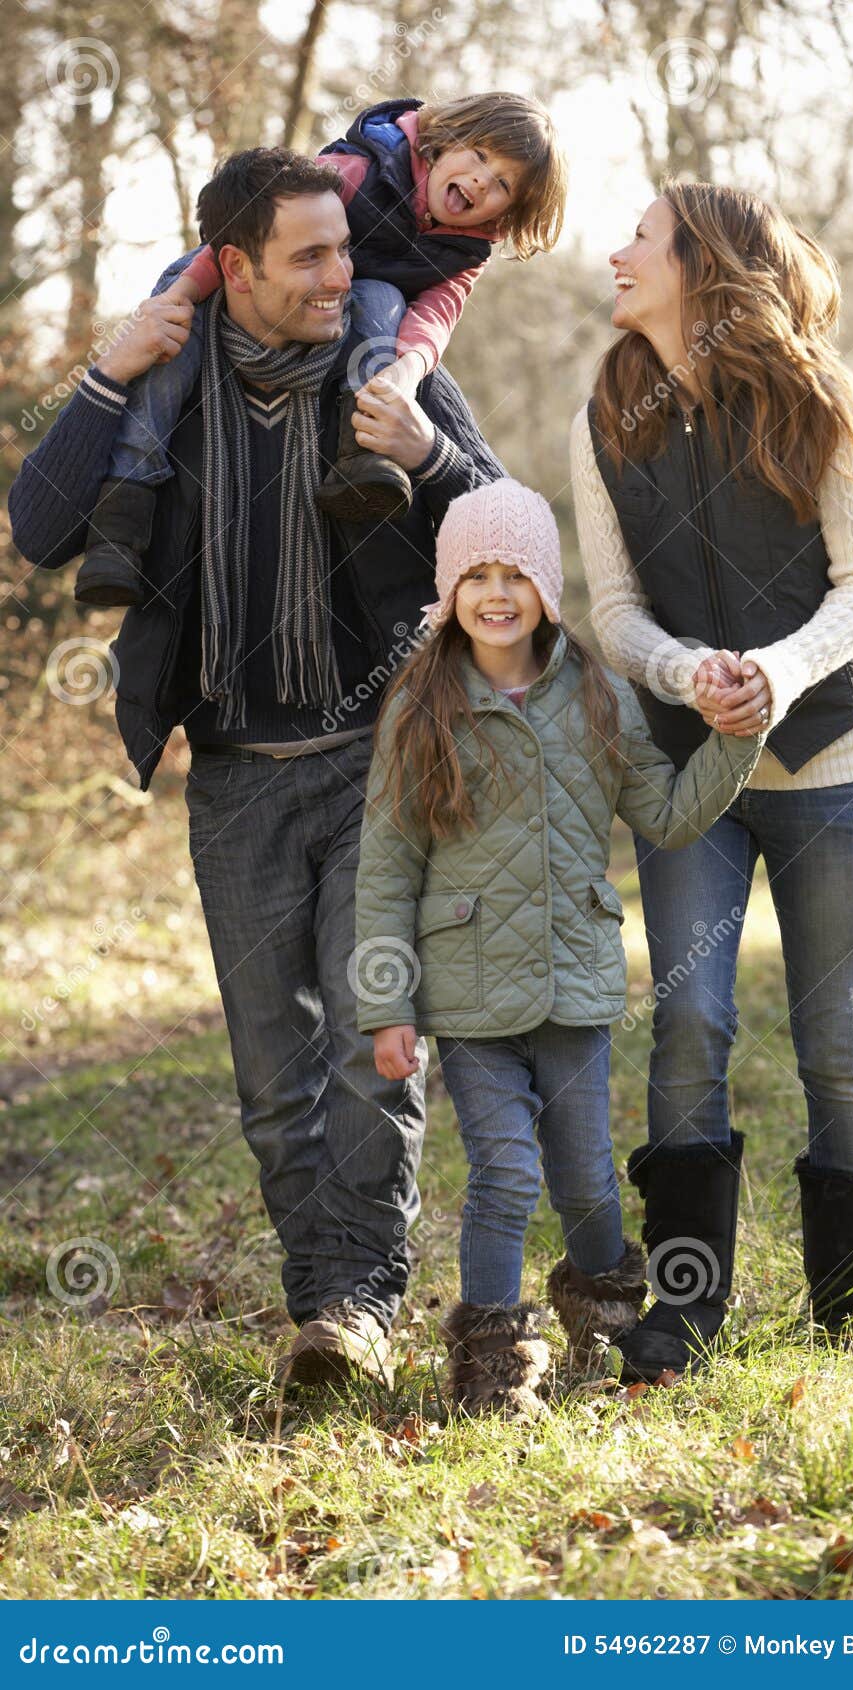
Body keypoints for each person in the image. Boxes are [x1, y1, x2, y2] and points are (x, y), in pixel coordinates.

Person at [8, 147, 506, 1389]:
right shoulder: (166, 378)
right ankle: (323, 1300)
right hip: (232, 779)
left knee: (371, 1047)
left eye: (345, 246)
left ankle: (357, 1307)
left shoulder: (385, 367)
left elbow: (508, 538)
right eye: (311, 256)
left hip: (378, 765)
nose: (345, 274)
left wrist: (430, 457)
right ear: (233, 268)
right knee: (275, 1082)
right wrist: (103, 374)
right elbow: (38, 529)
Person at [571, 182, 853, 1382]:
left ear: (700, 266)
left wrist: (771, 671)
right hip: (688, 776)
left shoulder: (819, 401)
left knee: (834, 1037)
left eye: (640, 239)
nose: (616, 254)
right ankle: (682, 1314)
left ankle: (851, 1315)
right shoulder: (606, 415)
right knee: (688, 1024)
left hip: (828, 759)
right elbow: (613, 610)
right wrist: (686, 673)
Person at [352, 478, 765, 1419]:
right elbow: (385, 866)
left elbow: (666, 815)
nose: (496, 595)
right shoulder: (421, 707)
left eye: (516, 575)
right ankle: (491, 1365)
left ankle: (604, 1312)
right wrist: (386, 1004)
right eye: (475, 576)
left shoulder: (598, 695)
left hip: (574, 984)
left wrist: (734, 740)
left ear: (546, 588)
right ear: (450, 591)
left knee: (584, 1180)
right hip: (468, 994)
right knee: (504, 1173)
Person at [72, 93, 566, 609]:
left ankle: (363, 455)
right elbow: (252, 225)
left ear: (511, 210)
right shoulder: (359, 170)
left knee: (383, 297)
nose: (482, 180)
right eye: (479, 155)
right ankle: (123, 509)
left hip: (350, 321)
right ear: (444, 141)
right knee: (175, 340)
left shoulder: (465, 251)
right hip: (232, 274)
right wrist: (177, 300)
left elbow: (437, 316)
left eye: (503, 184)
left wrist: (407, 377)